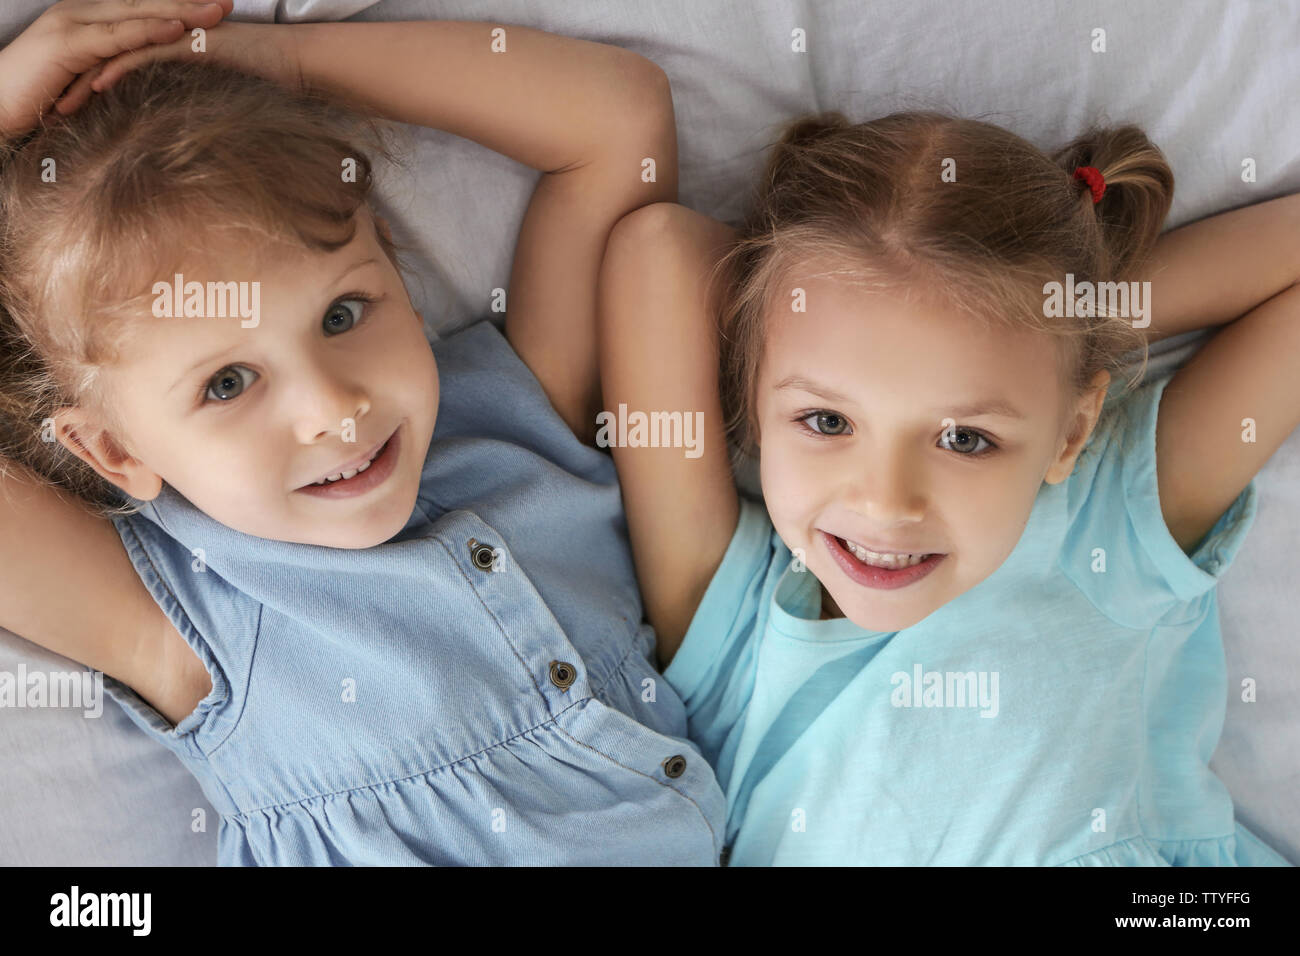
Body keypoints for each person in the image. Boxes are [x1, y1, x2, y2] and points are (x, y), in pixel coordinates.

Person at [596, 110, 1299, 865]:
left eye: (965, 438)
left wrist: (1058, 331)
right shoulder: (732, 628)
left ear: (1069, 434)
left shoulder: (1102, 531)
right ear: (756, 400)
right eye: (827, 421)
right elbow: (658, 254)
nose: (886, 503)